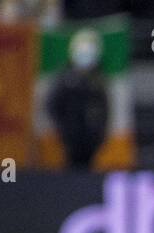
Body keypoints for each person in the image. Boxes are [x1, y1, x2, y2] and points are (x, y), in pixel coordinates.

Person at [48, 28, 109, 169]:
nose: (85, 57)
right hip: (69, 137)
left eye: (89, 53)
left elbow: (104, 110)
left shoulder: (99, 81)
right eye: (82, 53)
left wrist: (99, 133)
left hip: (92, 139)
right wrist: (63, 128)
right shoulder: (65, 79)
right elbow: (52, 105)